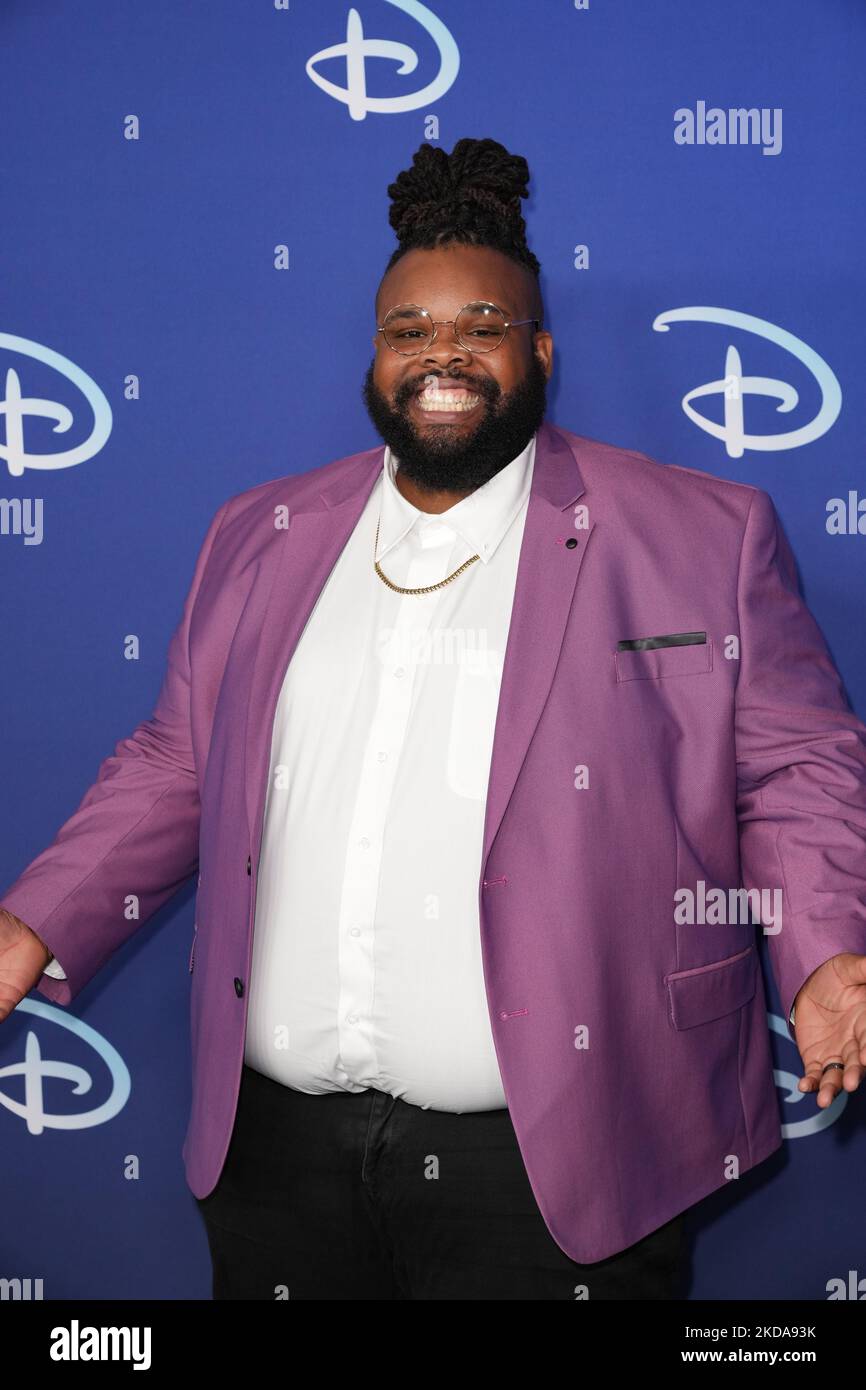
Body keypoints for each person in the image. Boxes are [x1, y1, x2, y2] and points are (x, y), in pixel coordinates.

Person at [2, 137, 866, 1301]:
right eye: (408, 330)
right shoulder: (258, 534)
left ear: (540, 349)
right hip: (275, 1161)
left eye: (480, 326)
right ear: (374, 355)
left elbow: (790, 767)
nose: (440, 355)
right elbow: (178, 763)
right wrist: (32, 922)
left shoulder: (701, 533)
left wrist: (823, 949)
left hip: (562, 1158)